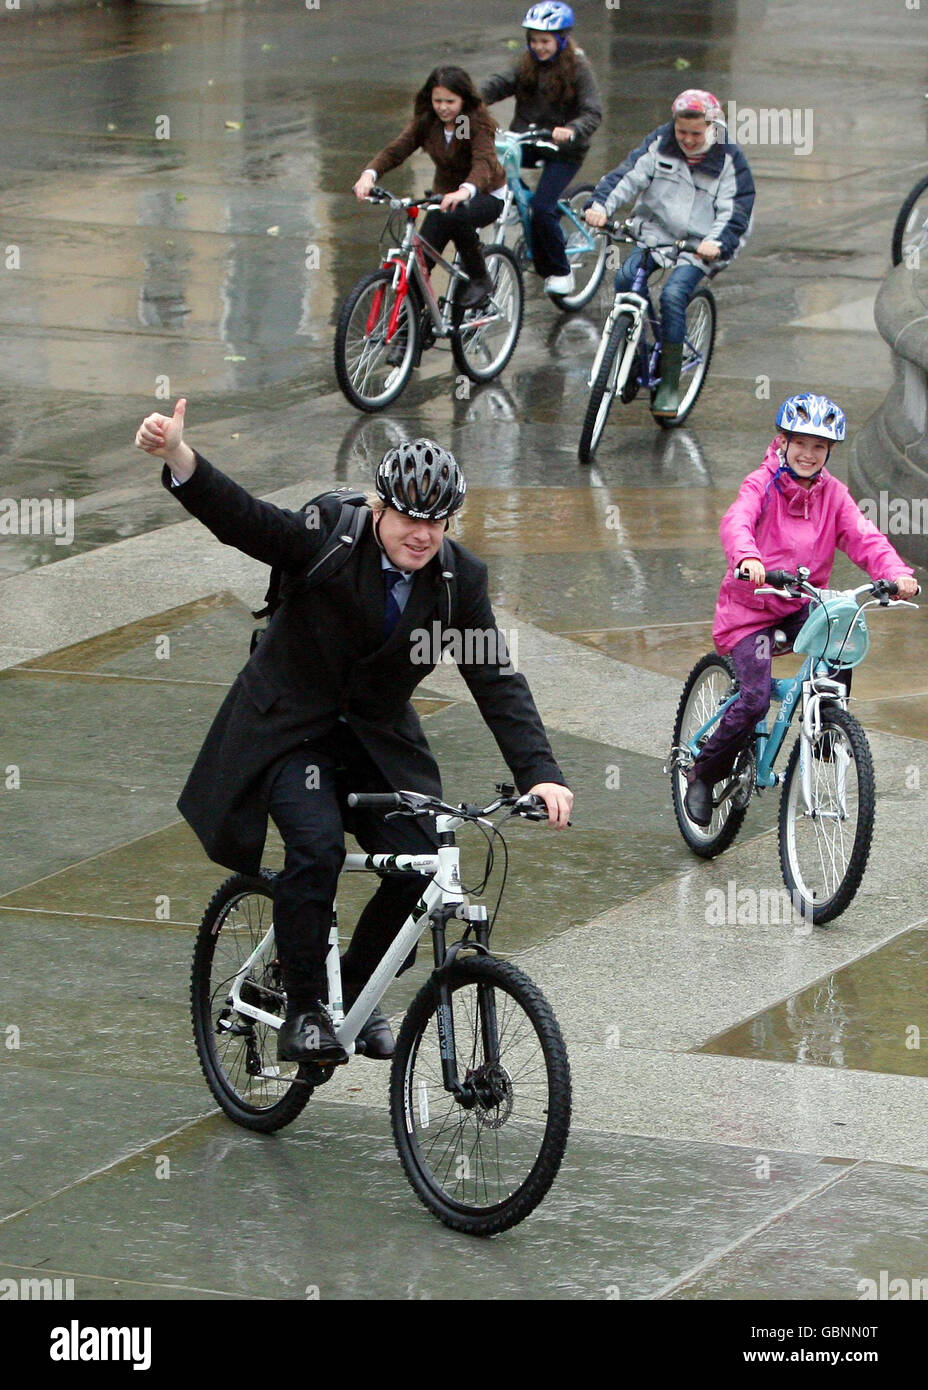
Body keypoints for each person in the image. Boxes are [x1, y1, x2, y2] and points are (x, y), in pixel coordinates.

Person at [134, 399, 574, 1063]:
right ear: (380, 509)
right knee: (315, 848)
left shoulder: (459, 580)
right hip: (291, 730)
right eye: (408, 517)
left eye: (436, 520)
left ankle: (358, 988)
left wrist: (541, 771)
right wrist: (179, 457)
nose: (422, 534)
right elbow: (246, 521)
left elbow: (497, 681)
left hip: (375, 742)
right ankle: (307, 1009)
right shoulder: (330, 537)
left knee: (424, 863)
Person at [684, 393, 918, 827]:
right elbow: (736, 521)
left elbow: (864, 537)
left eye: (819, 447)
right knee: (754, 699)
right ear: (783, 442)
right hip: (750, 613)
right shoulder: (762, 483)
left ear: (829, 453)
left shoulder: (833, 494)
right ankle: (703, 774)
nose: (809, 454)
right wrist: (748, 559)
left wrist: (896, 573)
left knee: (842, 628)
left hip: (800, 606)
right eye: (801, 443)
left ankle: (828, 724)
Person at [585, 89, 755, 416]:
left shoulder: (728, 158)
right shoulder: (660, 142)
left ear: (712, 125)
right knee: (624, 280)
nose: (687, 140)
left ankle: (669, 384)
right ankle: (634, 355)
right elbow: (627, 176)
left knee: (674, 295)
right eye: (681, 132)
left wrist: (716, 243)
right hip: (655, 232)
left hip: (701, 241)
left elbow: (737, 210)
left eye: (696, 133)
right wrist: (600, 206)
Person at [353, 66, 506, 309]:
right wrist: (369, 175)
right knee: (420, 262)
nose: (443, 107)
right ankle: (407, 331)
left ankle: (480, 278)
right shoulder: (428, 123)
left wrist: (465, 190)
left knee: (456, 215)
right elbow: (396, 151)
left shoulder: (469, 123)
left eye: (450, 101)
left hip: (484, 194)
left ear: (464, 100)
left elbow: (482, 162)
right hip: (443, 199)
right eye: (438, 100)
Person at [481, 1, 602, 297]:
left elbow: (592, 112)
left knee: (542, 208)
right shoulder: (526, 65)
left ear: (562, 39)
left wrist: (572, 130)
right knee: (491, 173)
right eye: (533, 40)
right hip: (529, 140)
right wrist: (471, 102)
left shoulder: (579, 69)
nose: (539, 47)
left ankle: (561, 270)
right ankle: (520, 205)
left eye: (545, 41)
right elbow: (500, 84)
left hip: (564, 149)